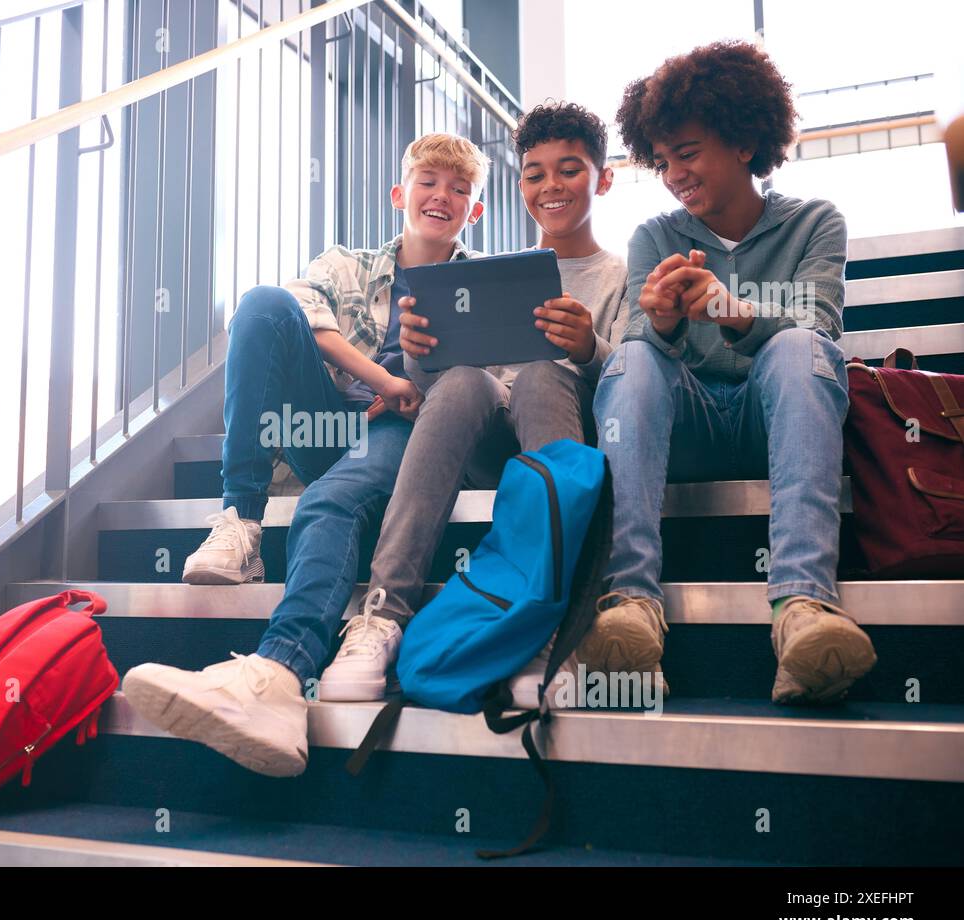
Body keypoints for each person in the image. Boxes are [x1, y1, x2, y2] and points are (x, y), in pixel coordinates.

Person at [122, 134, 489, 775]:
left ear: (475, 211)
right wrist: (385, 381)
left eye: (461, 189)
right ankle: (239, 523)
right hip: (328, 424)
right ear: (401, 194)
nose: (444, 196)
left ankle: (275, 675)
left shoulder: (481, 284)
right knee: (262, 303)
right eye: (429, 181)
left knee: (330, 500)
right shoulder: (348, 264)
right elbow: (304, 313)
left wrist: (415, 391)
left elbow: (486, 386)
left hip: (409, 433)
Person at [582, 41, 876, 704]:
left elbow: (819, 319)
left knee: (802, 349)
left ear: (744, 140)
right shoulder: (654, 236)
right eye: (662, 161)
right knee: (632, 357)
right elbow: (634, 350)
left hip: (773, 420)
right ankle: (630, 601)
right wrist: (657, 323)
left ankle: (803, 608)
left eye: (687, 153)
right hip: (685, 428)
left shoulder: (816, 221)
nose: (674, 174)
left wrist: (735, 311)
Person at [331, 101, 632, 706]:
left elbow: (634, 379)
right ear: (521, 186)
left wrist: (590, 349)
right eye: (534, 173)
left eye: (569, 170)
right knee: (466, 379)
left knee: (546, 374)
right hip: (485, 439)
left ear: (602, 179)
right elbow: (441, 384)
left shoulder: (622, 274)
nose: (550, 186)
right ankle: (383, 614)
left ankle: (547, 627)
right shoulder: (485, 273)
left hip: (560, 432)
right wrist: (417, 354)